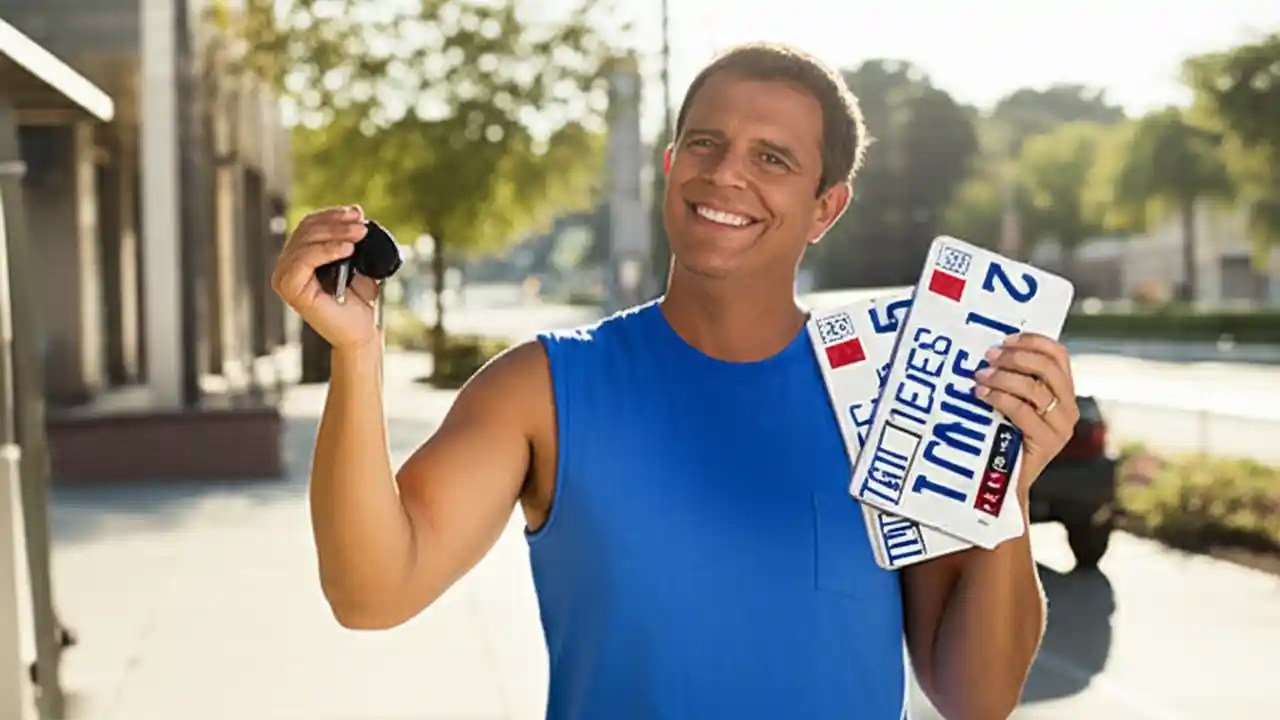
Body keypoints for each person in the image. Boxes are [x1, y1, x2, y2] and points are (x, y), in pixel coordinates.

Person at [271, 42, 1080, 720]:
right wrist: (357, 357)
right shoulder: (542, 390)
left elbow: (977, 698)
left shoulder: (891, 398)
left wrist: (1003, 491)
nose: (726, 174)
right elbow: (371, 593)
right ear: (670, 163)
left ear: (825, 208)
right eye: (704, 143)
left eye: (771, 158)